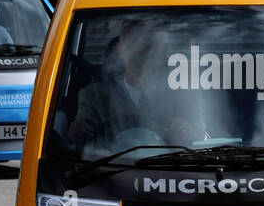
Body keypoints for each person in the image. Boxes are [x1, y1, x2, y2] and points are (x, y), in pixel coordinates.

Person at [68, 21, 203, 153]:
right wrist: (78, 131)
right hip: (110, 170)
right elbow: (81, 140)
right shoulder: (94, 95)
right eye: (133, 43)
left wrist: (188, 133)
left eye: (149, 45)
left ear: (163, 50)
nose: (139, 52)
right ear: (120, 50)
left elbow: (204, 138)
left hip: (171, 171)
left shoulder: (185, 95)